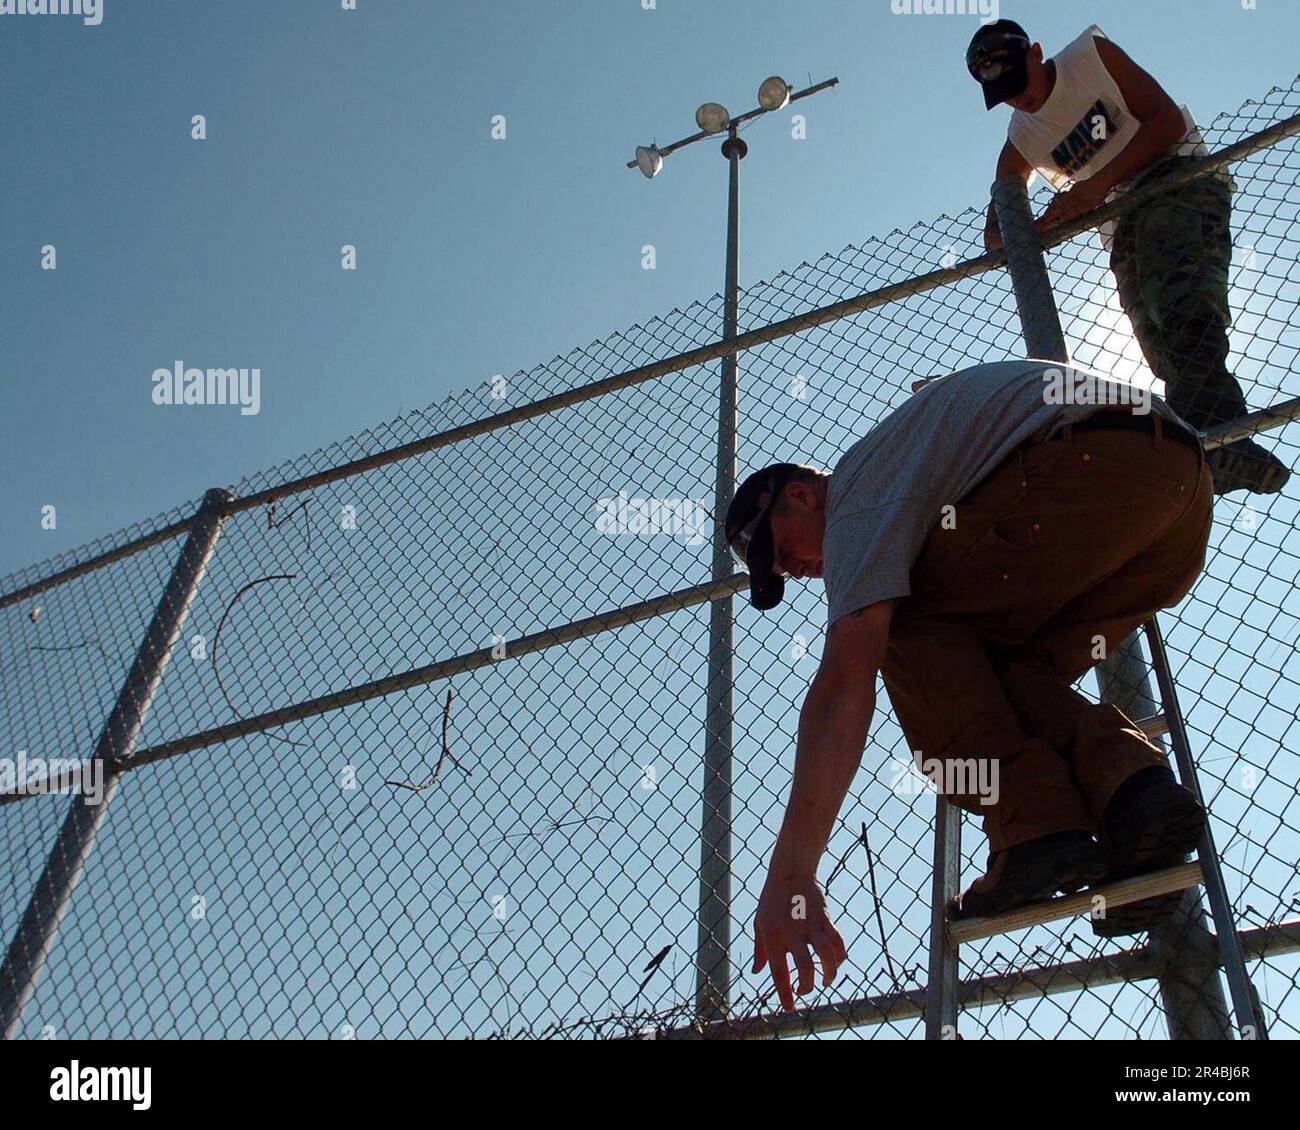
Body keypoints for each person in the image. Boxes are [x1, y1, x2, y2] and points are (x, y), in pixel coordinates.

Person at [726, 358, 1209, 1014]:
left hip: (1085, 466)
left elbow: (845, 681)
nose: (796, 571)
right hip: (1174, 498)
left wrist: (792, 872)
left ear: (803, 495)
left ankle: (1034, 825)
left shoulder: (858, 492)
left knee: (895, 622)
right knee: (1003, 674)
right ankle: (1133, 793)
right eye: (779, 573)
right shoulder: (907, 459)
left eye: (781, 551)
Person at [967, 19, 1289, 497]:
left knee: (1181, 304)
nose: (1019, 99)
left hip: (1174, 183)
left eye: (1019, 83)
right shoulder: (1022, 133)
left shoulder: (1089, 58)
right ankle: (1215, 447)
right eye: (1005, 95)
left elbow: (1165, 120)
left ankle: (1227, 438)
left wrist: (1094, 188)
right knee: (1156, 339)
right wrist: (1007, 229)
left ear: (1035, 52)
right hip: (1121, 228)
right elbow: (1005, 190)